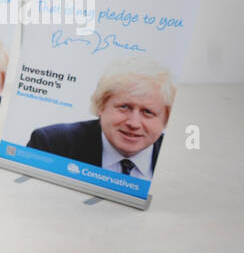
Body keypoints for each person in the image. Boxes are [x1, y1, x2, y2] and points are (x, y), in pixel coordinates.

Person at [28, 56, 175, 178]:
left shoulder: (176, 165)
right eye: (124, 107)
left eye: (148, 112)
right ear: (100, 106)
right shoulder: (51, 145)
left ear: (166, 120)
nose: (134, 123)